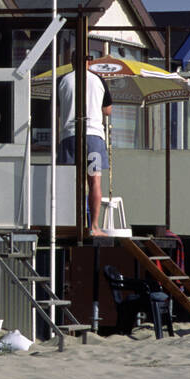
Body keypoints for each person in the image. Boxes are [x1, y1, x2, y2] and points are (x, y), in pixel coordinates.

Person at [56, 43, 113, 235]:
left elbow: (56, 110)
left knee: (70, 181)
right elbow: (107, 110)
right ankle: (94, 226)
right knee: (94, 181)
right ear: (89, 62)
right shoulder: (98, 80)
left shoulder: (62, 81)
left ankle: (71, 224)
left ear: (71, 62)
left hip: (69, 136)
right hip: (94, 137)